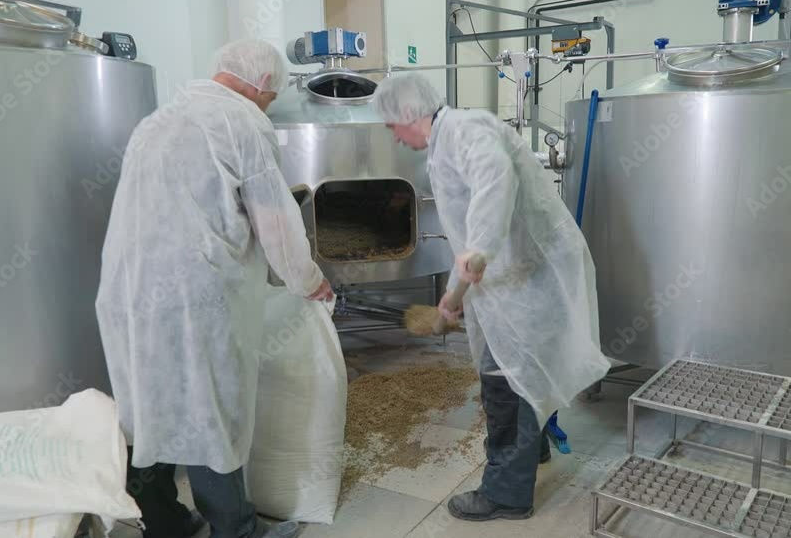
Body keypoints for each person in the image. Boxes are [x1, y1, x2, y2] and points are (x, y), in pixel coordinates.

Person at [95, 38, 332, 538]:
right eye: (272, 97)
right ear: (262, 83)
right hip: (193, 296)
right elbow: (276, 222)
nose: (268, 106)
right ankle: (236, 530)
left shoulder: (156, 121)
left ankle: (164, 523)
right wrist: (308, 280)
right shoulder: (244, 122)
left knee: (148, 407)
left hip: (126, 289)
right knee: (212, 409)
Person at [372, 73, 611, 521]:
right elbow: (466, 231)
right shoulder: (447, 140)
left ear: (407, 113)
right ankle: (533, 450)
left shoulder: (463, 130)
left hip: (524, 275)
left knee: (505, 378)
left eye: (392, 125)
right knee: (523, 369)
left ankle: (506, 493)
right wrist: (454, 295)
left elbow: (494, 182)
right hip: (510, 274)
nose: (394, 136)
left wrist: (477, 253)